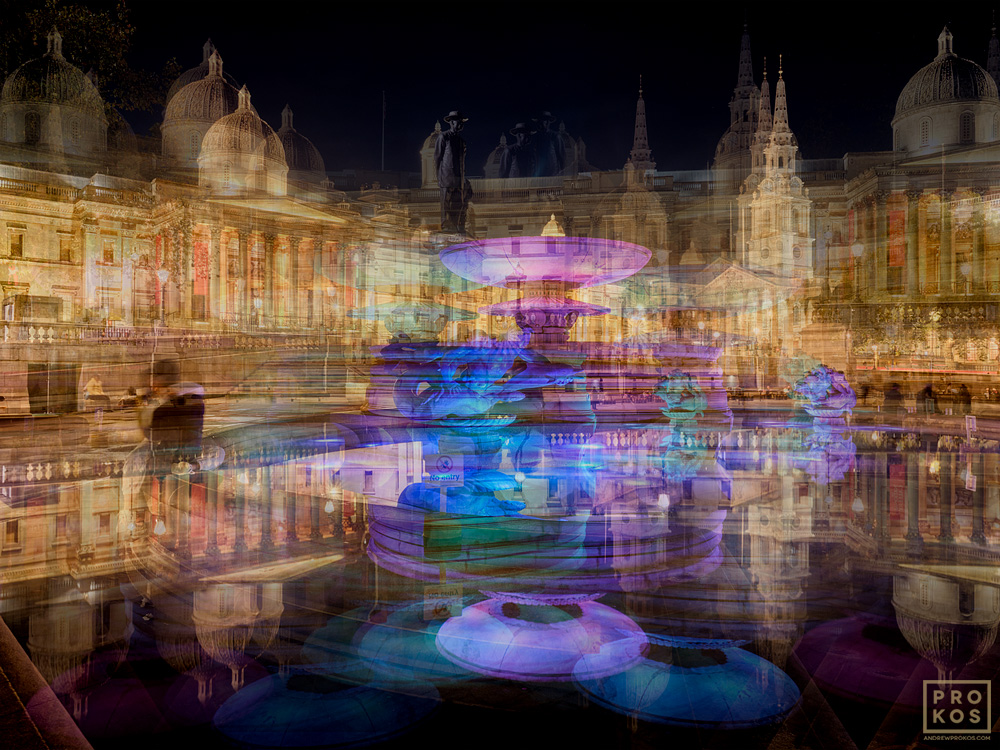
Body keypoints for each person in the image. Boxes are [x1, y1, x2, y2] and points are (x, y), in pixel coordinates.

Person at [434, 111, 470, 233]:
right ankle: (446, 227)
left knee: (457, 206)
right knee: (446, 206)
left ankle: (457, 227)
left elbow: (462, 163)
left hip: (458, 181)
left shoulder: (461, 141)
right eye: (458, 121)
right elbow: (437, 159)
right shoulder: (443, 137)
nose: (460, 124)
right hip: (446, 179)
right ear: (451, 122)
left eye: (461, 122)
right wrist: (440, 179)